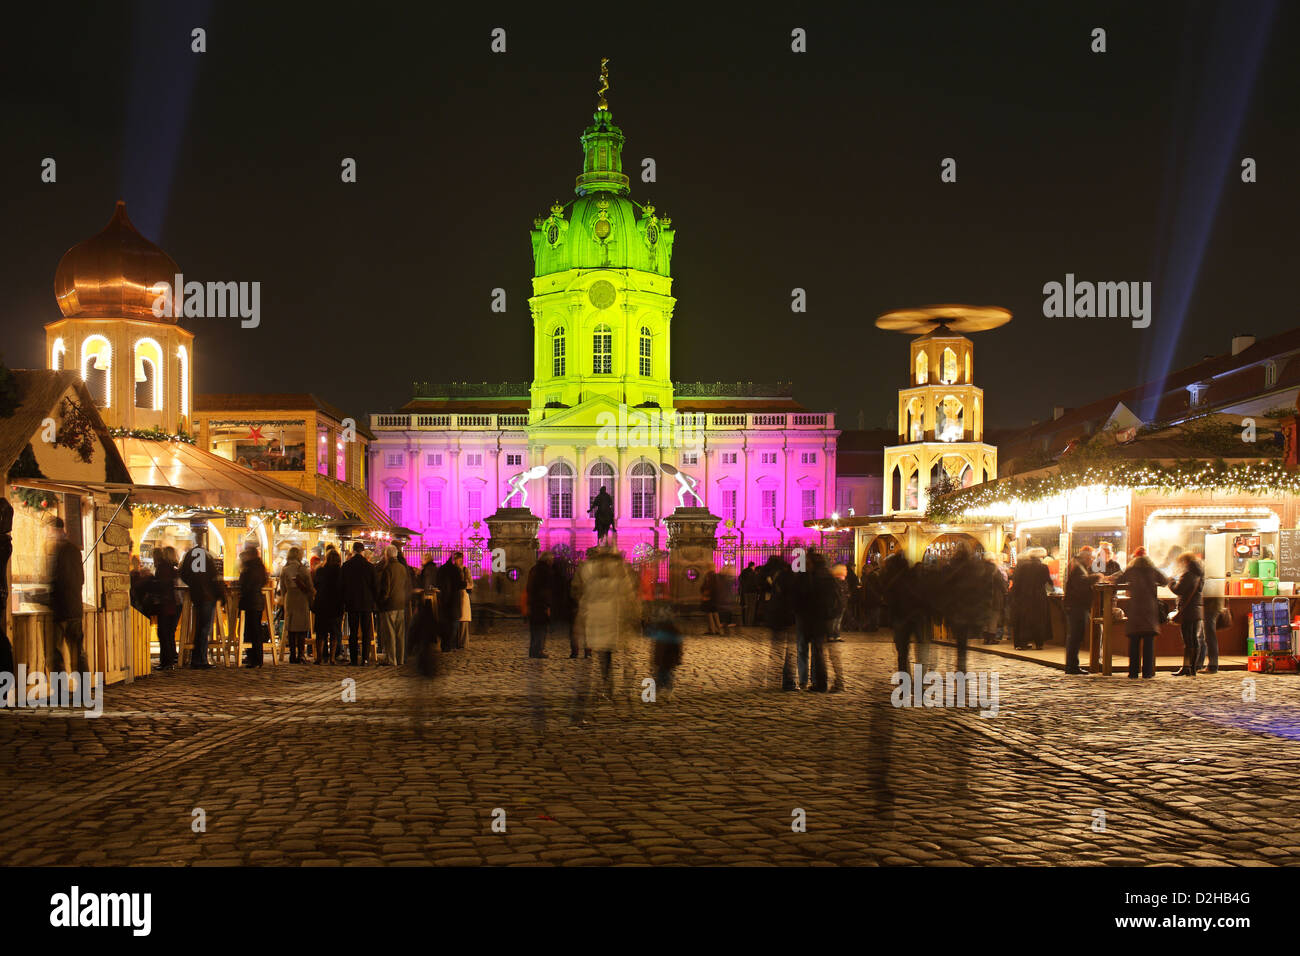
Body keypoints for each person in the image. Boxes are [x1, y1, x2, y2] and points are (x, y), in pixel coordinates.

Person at [572, 548, 639, 723]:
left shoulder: (589, 573)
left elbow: (582, 596)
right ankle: (610, 685)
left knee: (600, 654)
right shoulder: (618, 575)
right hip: (612, 618)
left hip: (595, 620)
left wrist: (580, 620)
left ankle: (599, 689)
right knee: (609, 653)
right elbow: (629, 596)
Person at [1108, 546, 1168, 680]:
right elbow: (1165, 581)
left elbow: (1118, 581)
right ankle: (1147, 672)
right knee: (1148, 642)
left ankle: (1133, 672)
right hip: (1150, 609)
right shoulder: (1152, 570)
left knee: (1134, 642)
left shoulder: (1131, 570)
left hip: (1135, 608)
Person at [180, 533, 224, 669]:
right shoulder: (206, 555)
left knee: (200, 628)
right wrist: (220, 594)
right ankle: (201, 659)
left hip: (197, 594)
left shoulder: (190, 555)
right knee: (204, 629)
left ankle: (198, 658)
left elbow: (183, 573)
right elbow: (214, 577)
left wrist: (192, 584)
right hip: (207, 596)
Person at [800, 552, 843, 692]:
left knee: (820, 651)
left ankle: (822, 683)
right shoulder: (828, 575)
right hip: (827, 617)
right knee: (826, 651)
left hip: (819, 617)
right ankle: (833, 681)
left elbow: (811, 598)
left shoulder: (816, 577)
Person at [882, 552, 923, 675]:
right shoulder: (913, 575)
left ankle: (904, 681)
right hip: (916, 617)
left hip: (900, 618)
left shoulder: (892, 579)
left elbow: (889, 599)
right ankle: (919, 682)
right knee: (919, 652)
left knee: (902, 653)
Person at [142, 546, 182, 670]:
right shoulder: (173, 568)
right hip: (174, 603)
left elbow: (162, 586)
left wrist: (149, 582)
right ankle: (170, 659)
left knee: (164, 632)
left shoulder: (163, 568)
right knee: (168, 632)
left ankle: (166, 662)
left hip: (166, 604)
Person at [763, 557, 799, 690]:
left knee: (777, 648)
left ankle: (774, 679)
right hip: (788, 617)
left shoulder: (771, 577)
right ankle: (788, 681)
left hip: (777, 616)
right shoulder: (788, 576)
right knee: (790, 650)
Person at [1063, 546, 1099, 674]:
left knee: (1075, 636)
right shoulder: (1078, 567)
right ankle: (1072, 666)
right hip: (1077, 606)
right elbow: (1081, 583)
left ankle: (1072, 665)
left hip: (1075, 605)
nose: (1092, 560)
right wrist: (1096, 577)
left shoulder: (1076, 564)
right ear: (1086, 557)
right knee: (1075, 636)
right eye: (1091, 558)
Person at [342, 542, 378, 665]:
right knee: (366, 632)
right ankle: (365, 658)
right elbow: (375, 586)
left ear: (353, 551)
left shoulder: (346, 566)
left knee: (353, 632)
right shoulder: (369, 567)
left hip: (352, 603)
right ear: (362, 551)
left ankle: (353, 659)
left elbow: (342, 586)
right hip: (366, 603)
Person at [1169, 551, 1204, 677]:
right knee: (1194, 640)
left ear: (1185, 562)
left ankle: (1187, 667)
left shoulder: (1188, 574)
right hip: (1196, 610)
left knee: (1188, 641)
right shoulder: (1198, 574)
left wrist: (1171, 582)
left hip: (1188, 611)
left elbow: (1178, 589)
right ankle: (1192, 667)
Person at [1009, 547, 1053, 650]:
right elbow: (1048, 582)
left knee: (1024, 620)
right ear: (1040, 556)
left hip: (1024, 597)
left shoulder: (1022, 567)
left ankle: (1022, 643)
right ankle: (1039, 643)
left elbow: (1016, 582)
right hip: (1039, 597)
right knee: (1039, 620)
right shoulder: (1043, 567)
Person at [278, 546, 314, 664]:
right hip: (301, 598)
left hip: (290, 597)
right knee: (302, 627)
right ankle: (301, 654)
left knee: (291, 627)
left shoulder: (285, 569)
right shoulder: (302, 569)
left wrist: (284, 599)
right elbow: (309, 586)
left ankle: (292, 654)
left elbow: (282, 588)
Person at [378, 545, 411, 664]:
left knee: (390, 633)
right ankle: (400, 658)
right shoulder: (402, 568)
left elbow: (385, 589)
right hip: (401, 604)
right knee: (400, 634)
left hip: (389, 605)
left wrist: (381, 601)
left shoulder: (388, 568)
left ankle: (392, 659)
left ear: (387, 555)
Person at [238, 547, 269, 667]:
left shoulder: (249, 567)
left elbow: (245, 584)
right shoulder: (260, 567)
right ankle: (256, 658)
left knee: (251, 631)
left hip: (250, 601)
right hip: (257, 601)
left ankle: (253, 658)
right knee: (255, 631)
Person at [313, 548, 345, 664]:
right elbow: (343, 588)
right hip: (336, 604)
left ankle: (319, 658)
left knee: (321, 633)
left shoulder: (320, 571)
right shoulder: (340, 571)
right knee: (334, 633)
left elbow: (316, 585)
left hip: (322, 604)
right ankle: (332, 658)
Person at [525, 551, 553, 658]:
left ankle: (533, 650)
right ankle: (538, 650)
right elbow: (547, 590)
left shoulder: (534, 569)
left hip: (533, 603)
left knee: (534, 629)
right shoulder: (546, 571)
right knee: (541, 629)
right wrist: (548, 605)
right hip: (541, 604)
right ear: (547, 560)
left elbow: (529, 587)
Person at [700, 569, 722, 635]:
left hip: (709, 598)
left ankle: (712, 630)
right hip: (714, 598)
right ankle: (718, 629)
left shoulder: (709, 576)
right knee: (715, 613)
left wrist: (704, 592)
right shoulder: (715, 576)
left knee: (709, 613)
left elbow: (706, 586)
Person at [739, 562, 759, 627]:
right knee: (752, 608)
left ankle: (746, 622)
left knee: (747, 607)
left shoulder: (744, 572)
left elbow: (740, 579)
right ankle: (750, 623)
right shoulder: (754, 573)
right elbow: (756, 583)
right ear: (753, 566)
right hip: (752, 592)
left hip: (745, 592)